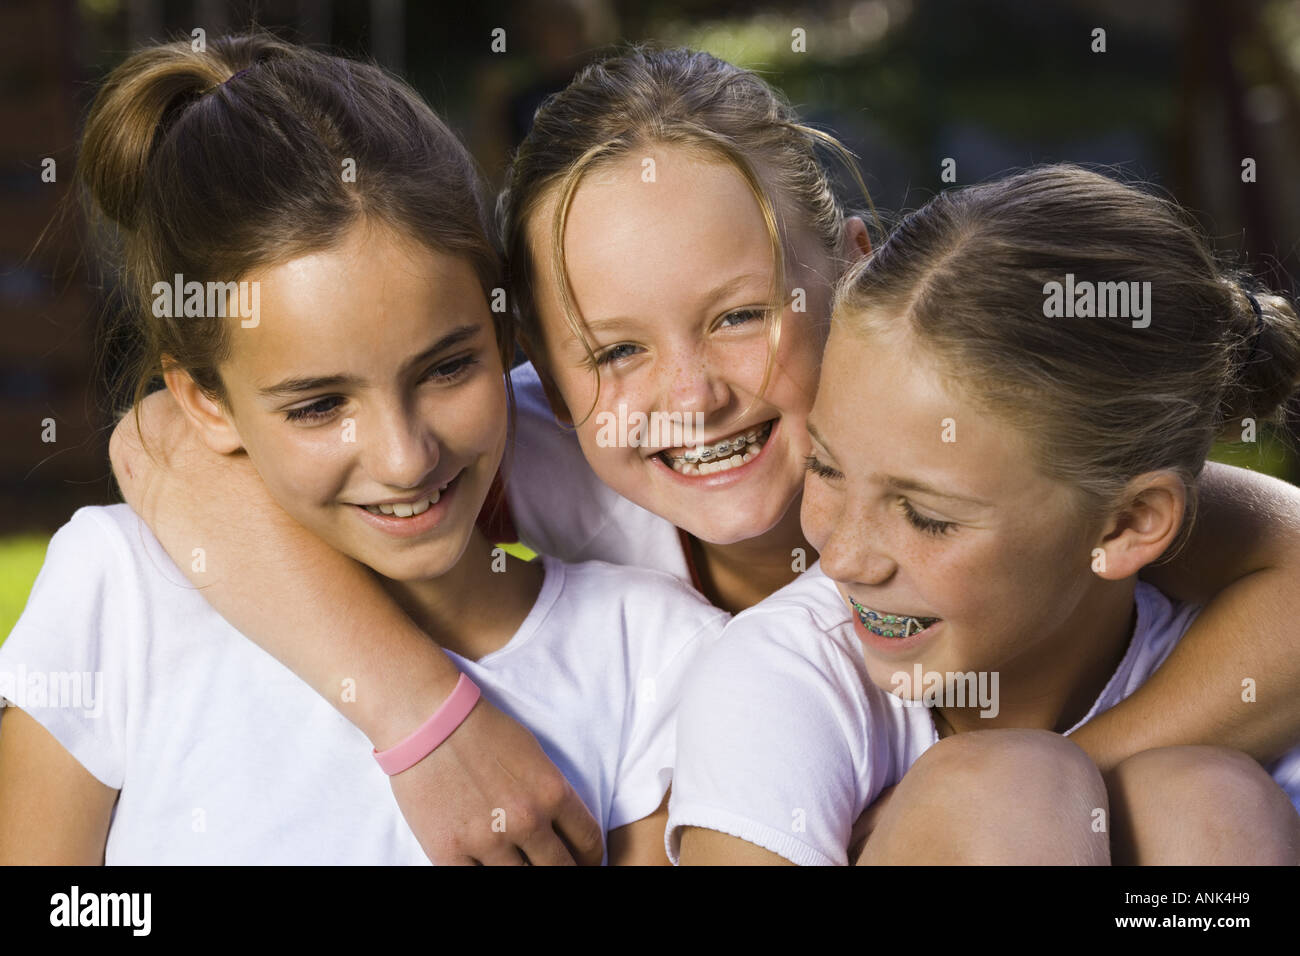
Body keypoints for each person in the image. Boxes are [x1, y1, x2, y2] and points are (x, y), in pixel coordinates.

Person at [111, 49, 1300, 862]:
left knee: (1164, 801)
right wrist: (428, 719)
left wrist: (1051, 775)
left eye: (741, 314)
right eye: (612, 348)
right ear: (543, 360)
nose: (689, 394)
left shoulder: (983, 416)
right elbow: (167, 446)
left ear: (852, 265)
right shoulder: (533, 448)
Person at [0, 33, 725, 865]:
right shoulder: (119, 595)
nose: (405, 457)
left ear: (504, 335)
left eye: (449, 367)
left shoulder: (654, 659)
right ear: (204, 400)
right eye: (318, 405)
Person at [670, 165, 1300, 865]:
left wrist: (1065, 773)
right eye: (825, 468)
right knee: (1004, 789)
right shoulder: (780, 681)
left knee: (1208, 799)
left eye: (927, 517)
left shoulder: (1224, 663)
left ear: (1126, 525)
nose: (844, 557)